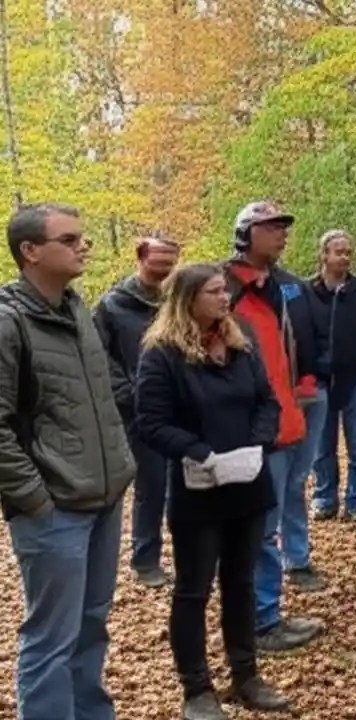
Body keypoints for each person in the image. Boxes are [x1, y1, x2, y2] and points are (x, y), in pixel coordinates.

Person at [134, 264, 289, 719]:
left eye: (226, 290)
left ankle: (246, 674)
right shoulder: (161, 354)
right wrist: (202, 454)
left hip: (248, 484)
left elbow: (268, 401)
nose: (226, 298)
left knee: (240, 583)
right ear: (188, 299)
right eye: (215, 291)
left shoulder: (239, 343)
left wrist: (258, 443)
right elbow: (152, 423)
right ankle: (196, 688)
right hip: (198, 489)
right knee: (193, 589)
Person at [0, 203, 136, 719]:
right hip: (53, 508)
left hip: (103, 497)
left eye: (84, 238)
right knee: (50, 637)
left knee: (92, 623)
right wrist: (34, 497)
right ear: (30, 251)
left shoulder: (78, 309)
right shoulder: (9, 322)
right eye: (69, 239)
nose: (83, 246)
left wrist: (121, 466)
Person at [222, 200, 326, 650]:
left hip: (283, 423)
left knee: (270, 527)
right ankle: (258, 624)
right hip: (251, 435)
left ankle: (266, 615)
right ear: (247, 233)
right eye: (272, 227)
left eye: (284, 226)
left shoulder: (277, 288)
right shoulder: (224, 289)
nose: (282, 234)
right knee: (257, 532)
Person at [94, 234, 181, 587]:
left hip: (182, 406)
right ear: (141, 257)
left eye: (171, 260)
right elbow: (100, 355)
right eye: (159, 259)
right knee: (152, 484)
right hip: (139, 411)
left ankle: (192, 553)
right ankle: (146, 561)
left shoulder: (178, 300)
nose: (165, 267)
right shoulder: (113, 304)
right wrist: (129, 393)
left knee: (188, 483)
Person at [310, 230, 356, 522]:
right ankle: (325, 498)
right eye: (338, 251)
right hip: (319, 377)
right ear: (324, 254)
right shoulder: (307, 290)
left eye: (349, 252)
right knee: (321, 445)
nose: (344, 257)